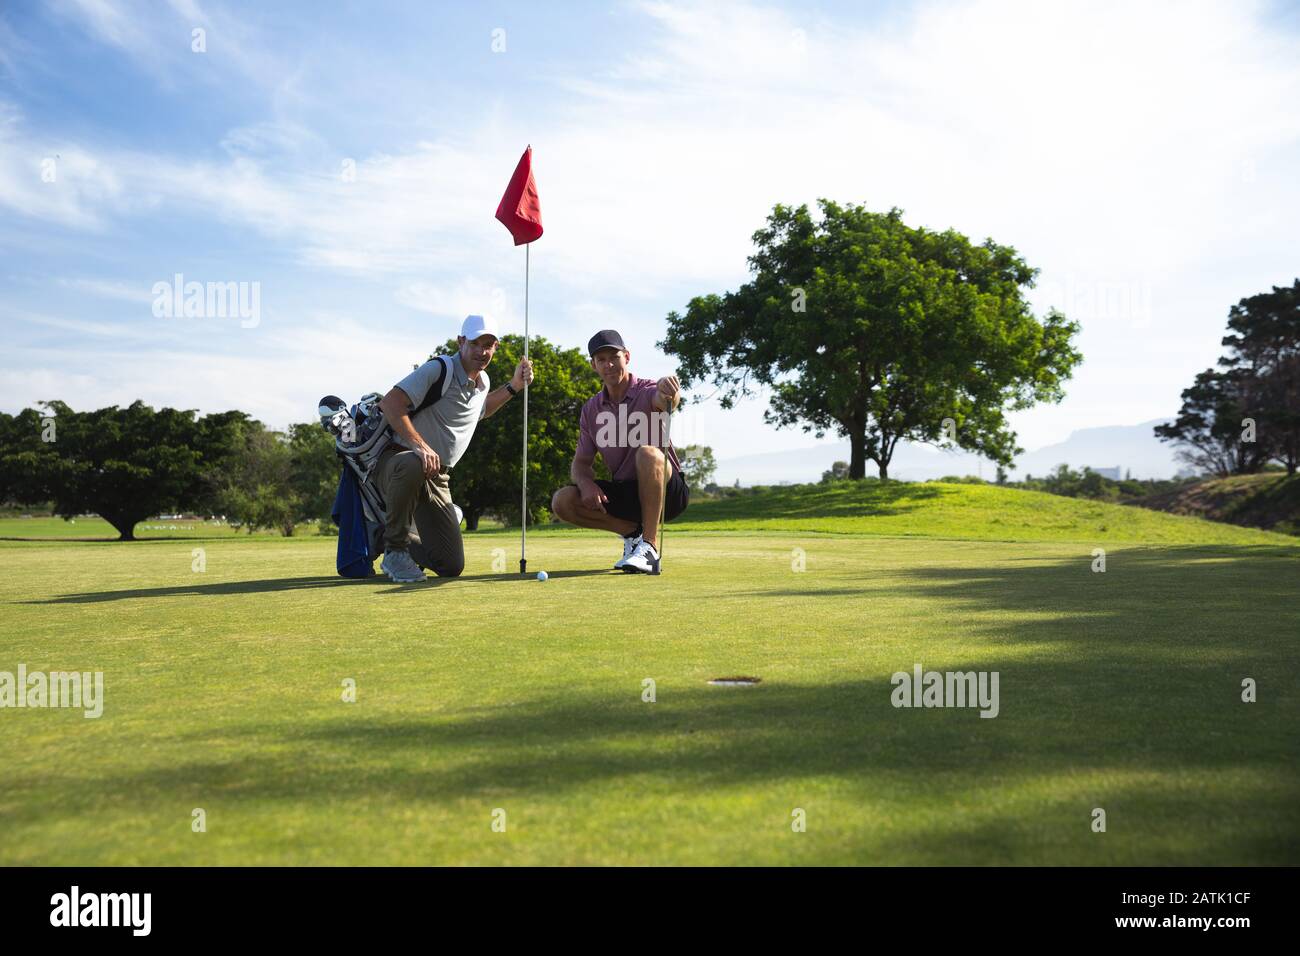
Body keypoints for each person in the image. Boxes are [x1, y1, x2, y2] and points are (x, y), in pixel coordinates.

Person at [373, 314, 533, 582]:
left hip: (436, 476)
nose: (482, 352)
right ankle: (395, 552)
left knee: (449, 565)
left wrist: (515, 386)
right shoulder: (439, 369)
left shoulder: (484, 383)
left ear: (496, 347)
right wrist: (420, 446)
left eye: (489, 345)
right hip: (398, 462)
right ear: (461, 341)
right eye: (476, 343)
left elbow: (481, 411)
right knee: (414, 462)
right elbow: (390, 404)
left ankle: (380, 534)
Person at [550, 329, 687, 575]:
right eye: (601, 359)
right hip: (626, 491)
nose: (609, 364)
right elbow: (580, 465)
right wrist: (586, 484)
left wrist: (670, 390)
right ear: (593, 365)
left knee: (647, 453)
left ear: (627, 357)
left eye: (614, 356)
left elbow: (666, 400)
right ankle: (632, 535)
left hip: (668, 491)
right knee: (563, 500)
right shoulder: (591, 409)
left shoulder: (647, 390)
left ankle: (649, 546)